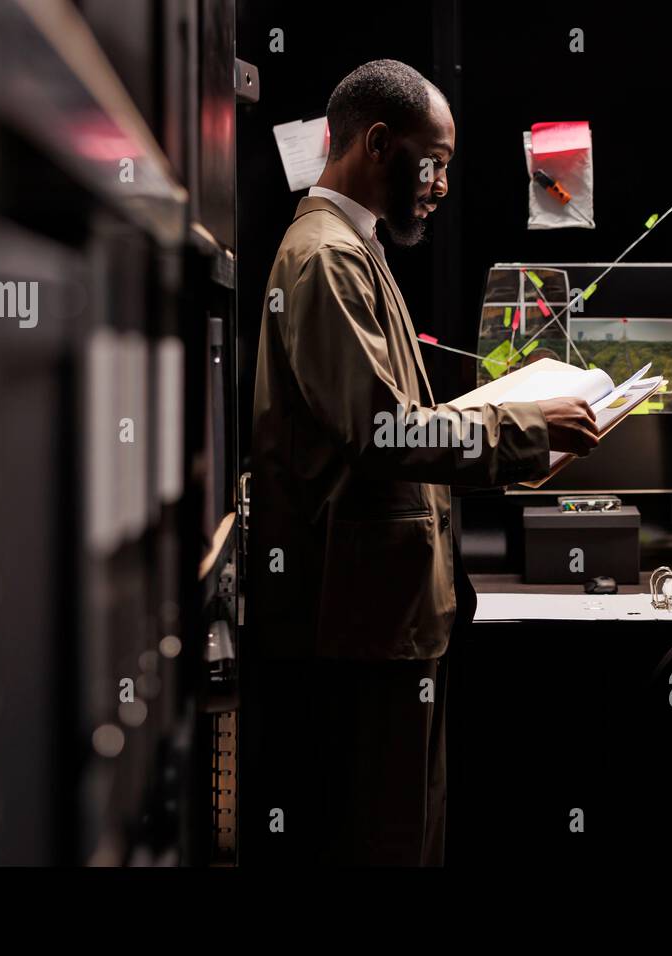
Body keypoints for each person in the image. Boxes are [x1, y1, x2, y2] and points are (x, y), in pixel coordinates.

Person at [244, 58, 598, 866]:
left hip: (388, 618)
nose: (439, 185)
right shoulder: (328, 257)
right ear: (377, 143)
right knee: (385, 845)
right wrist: (523, 428)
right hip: (364, 627)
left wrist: (507, 421)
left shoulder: (349, 248)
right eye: (432, 161)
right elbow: (383, 434)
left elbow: (391, 423)